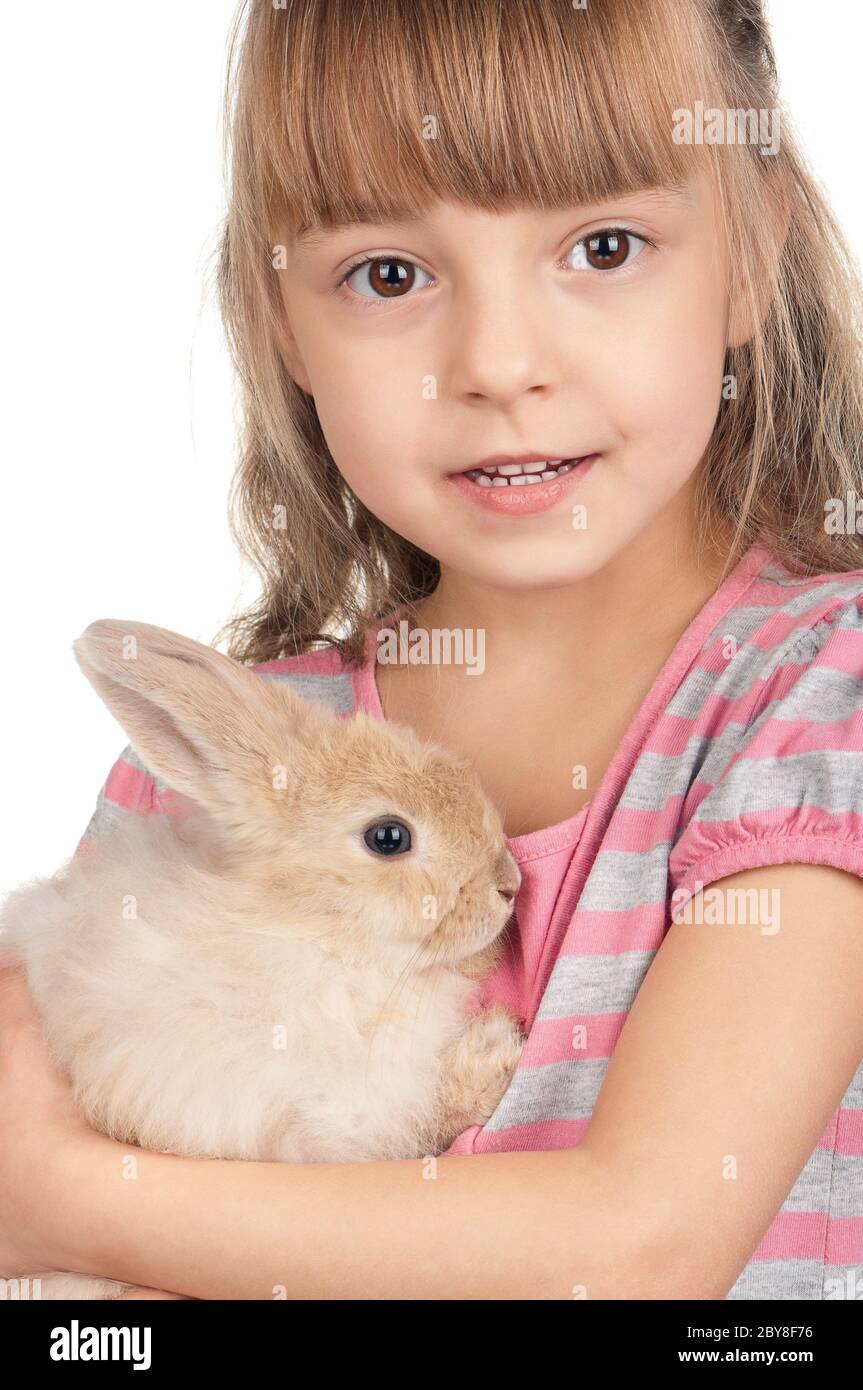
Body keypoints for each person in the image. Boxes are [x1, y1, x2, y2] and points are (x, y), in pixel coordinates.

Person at [2, 0, 863, 1300]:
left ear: (750, 253)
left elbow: (646, 1242)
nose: (499, 363)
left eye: (604, 244)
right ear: (282, 317)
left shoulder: (820, 700)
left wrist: (74, 1201)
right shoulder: (215, 778)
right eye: (389, 275)